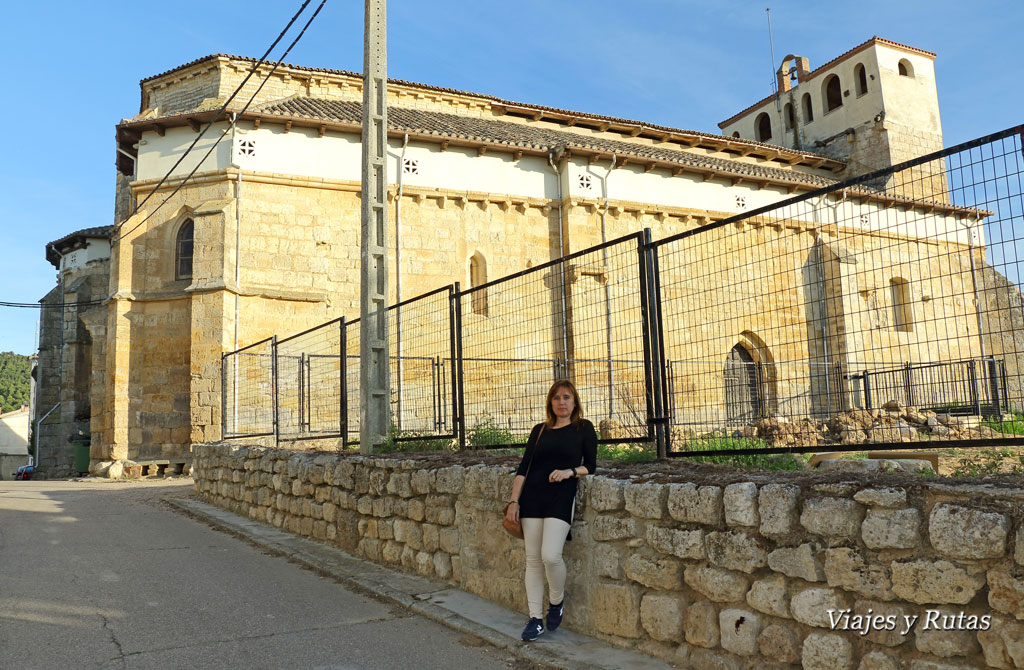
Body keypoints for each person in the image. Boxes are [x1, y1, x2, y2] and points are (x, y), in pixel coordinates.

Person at [504, 380, 598, 641]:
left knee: (551, 555)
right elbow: (524, 468)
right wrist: (514, 502)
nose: (561, 402)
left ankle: (556, 602)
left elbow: (591, 465)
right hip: (532, 497)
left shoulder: (583, 428)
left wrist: (570, 472)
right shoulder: (540, 430)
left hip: (561, 496)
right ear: (550, 403)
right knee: (533, 560)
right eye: (556, 398)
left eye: (567, 397)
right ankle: (535, 619)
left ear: (575, 402)